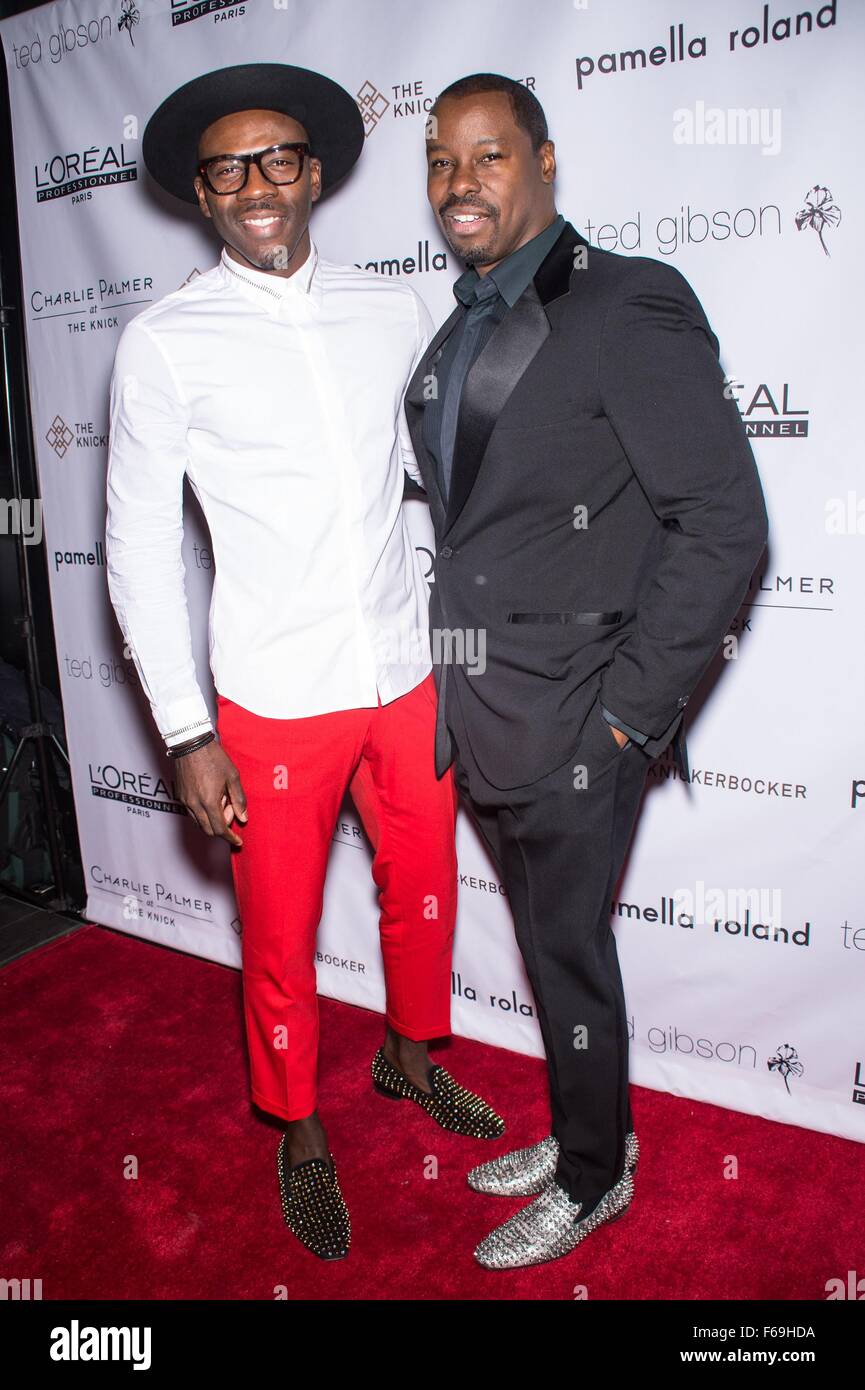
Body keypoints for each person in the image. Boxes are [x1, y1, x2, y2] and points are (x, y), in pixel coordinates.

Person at [105, 62, 503, 1263]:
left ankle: (408, 1051)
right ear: (200, 193)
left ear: (315, 171)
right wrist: (185, 732)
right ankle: (295, 1122)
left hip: (402, 668)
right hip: (271, 699)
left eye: (278, 158)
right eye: (227, 168)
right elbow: (132, 552)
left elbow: (443, 474)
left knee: (424, 886)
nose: (255, 185)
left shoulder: (394, 306)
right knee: (277, 936)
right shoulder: (164, 343)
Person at [403, 73, 769, 1270]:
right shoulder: (461, 320)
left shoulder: (625, 303)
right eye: (442, 161)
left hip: (577, 719)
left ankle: (596, 1175)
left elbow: (723, 526)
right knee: (556, 948)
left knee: (567, 949)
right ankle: (581, 1134)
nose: (461, 183)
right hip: (485, 708)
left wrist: (623, 718)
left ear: (546, 164)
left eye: (488, 157)